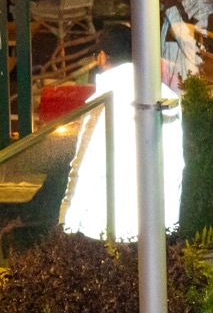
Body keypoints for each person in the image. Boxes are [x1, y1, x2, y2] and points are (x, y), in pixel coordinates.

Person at [59, 22, 184, 243]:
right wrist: (169, 226)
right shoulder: (165, 96)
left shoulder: (102, 102)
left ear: (103, 57)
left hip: (104, 229)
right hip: (153, 232)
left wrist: (66, 226)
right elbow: (175, 165)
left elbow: (86, 170)